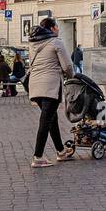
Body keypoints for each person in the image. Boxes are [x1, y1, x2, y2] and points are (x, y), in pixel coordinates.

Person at [26, 18, 75, 167]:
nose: (58, 29)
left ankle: (61, 151)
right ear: (52, 29)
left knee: (51, 119)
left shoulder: (33, 44)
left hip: (35, 87)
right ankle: (38, 156)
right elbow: (67, 65)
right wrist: (72, 78)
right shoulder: (56, 42)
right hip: (51, 86)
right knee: (45, 121)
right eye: (57, 27)